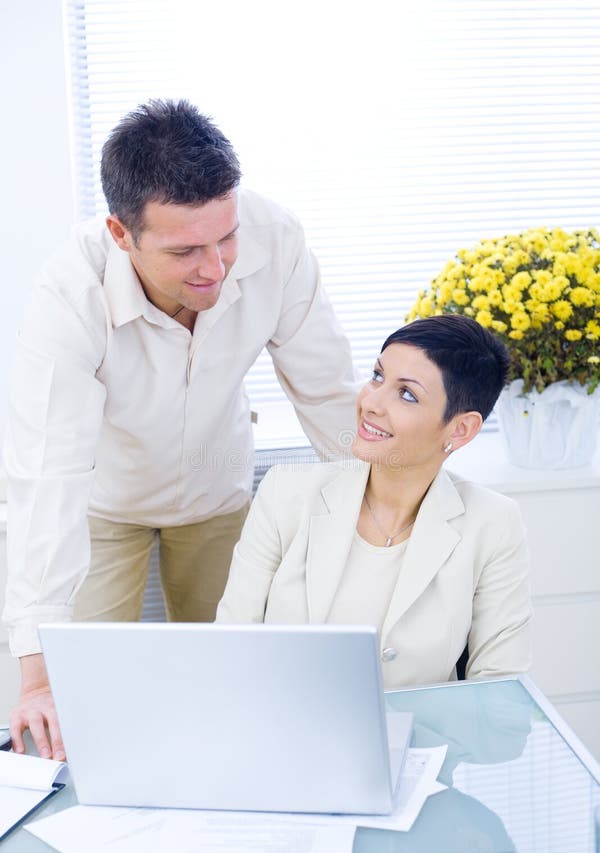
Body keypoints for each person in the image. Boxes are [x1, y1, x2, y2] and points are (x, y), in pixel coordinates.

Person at [3, 99, 358, 759]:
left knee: (237, 692)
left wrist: (394, 515)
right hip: (100, 507)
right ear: (120, 232)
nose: (216, 267)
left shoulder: (275, 239)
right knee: (83, 705)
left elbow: (329, 395)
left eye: (225, 237)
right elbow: (46, 476)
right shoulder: (68, 295)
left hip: (217, 495)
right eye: (185, 250)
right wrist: (37, 677)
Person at [217, 314, 532, 686]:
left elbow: (500, 685)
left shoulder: (493, 524)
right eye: (377, 376)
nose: (371, 403)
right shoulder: (286, 492)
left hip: (423, 738)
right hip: (283, 732)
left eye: (407, 394)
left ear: (460, 429)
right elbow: (231, 648)